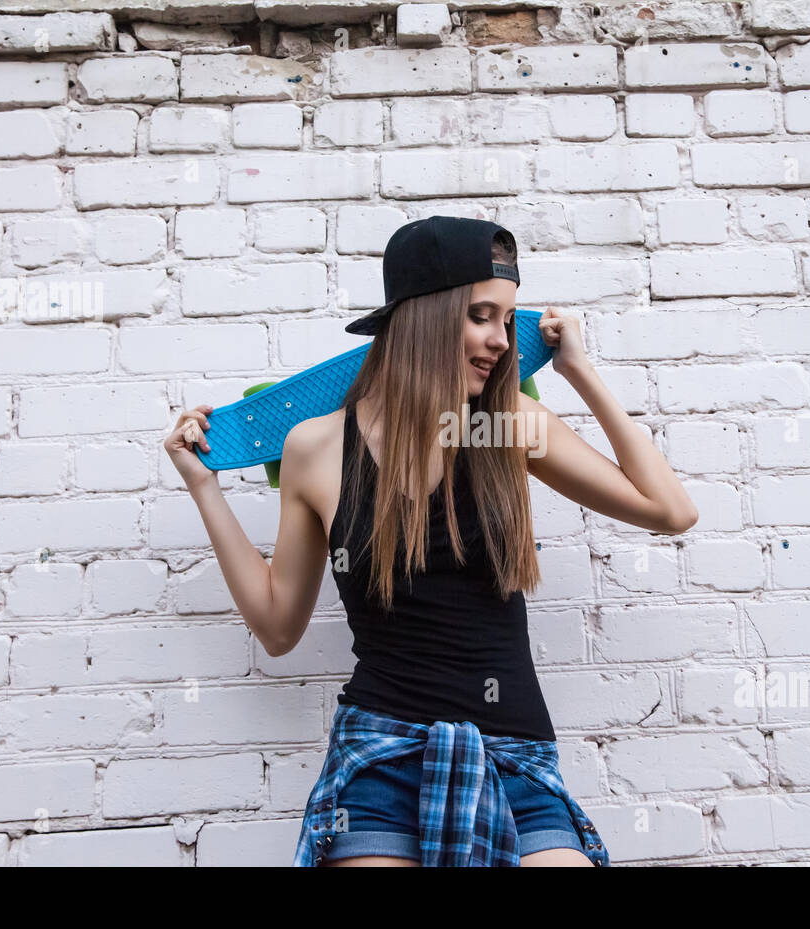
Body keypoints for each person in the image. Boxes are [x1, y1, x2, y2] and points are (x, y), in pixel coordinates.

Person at [164, 215, 699, 866]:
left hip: (511, 755)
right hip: (379, 760)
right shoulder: (317, 447)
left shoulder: (506, 426)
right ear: (423, 316)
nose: (501, 340)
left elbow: (668, 511)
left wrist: (578, 371)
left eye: (507, 320)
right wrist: (204, 488)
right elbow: (279, 627)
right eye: (481, 316)